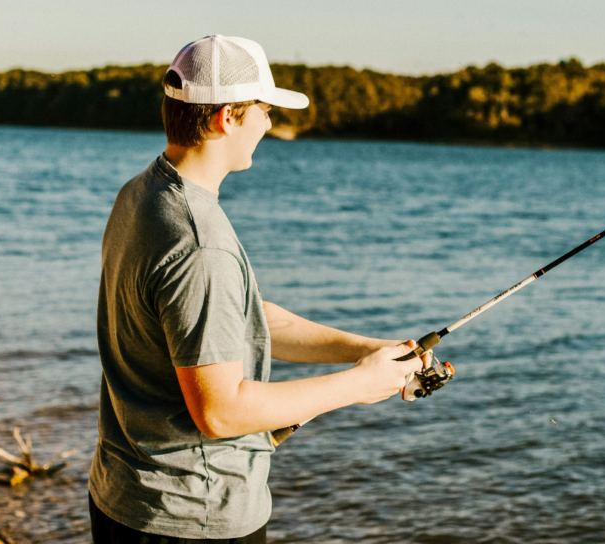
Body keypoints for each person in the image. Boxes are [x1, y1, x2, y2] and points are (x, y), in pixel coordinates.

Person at [88, 35, 427, 544]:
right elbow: (221, 411)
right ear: (228, 118)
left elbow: (237, 319)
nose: (268, 124)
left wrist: (369, 351)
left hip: (122, 496)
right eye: (264, 111)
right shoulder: (200, 244)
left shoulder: (142, 193)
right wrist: (358, 386)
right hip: (191, 518)